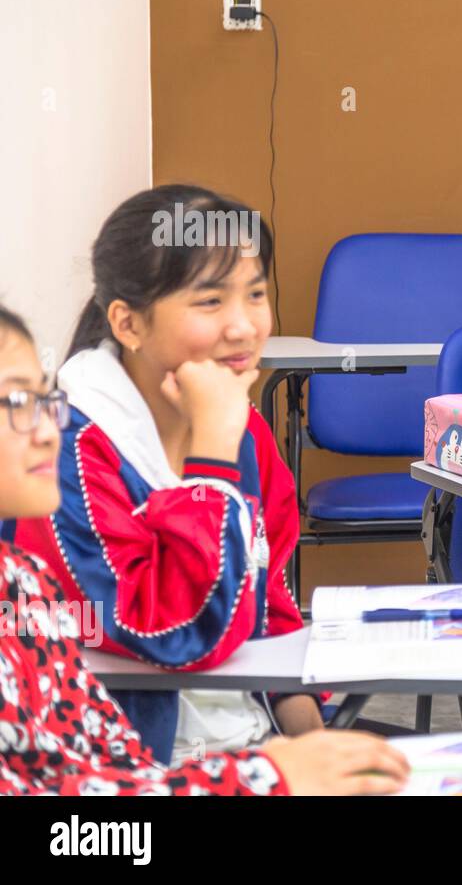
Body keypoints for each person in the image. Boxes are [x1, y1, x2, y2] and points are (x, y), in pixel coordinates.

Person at [0, 303, 409, 794]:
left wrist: (299, 754)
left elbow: (105, 763)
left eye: (254, 294)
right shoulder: (88, 455)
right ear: (129, 325)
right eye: (18, 402)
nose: (48, 429)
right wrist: (267, 777)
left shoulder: (19, 577)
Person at [14, 185, 319, 764]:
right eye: (210, 302)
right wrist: (210, 463)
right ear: (128, 324)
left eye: (255, 294)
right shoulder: (64, 452)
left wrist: (316, 743)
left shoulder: (242, 428)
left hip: (251, 750)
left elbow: (269, 605)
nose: (243, 326)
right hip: (129, 774)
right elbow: (170, 633)